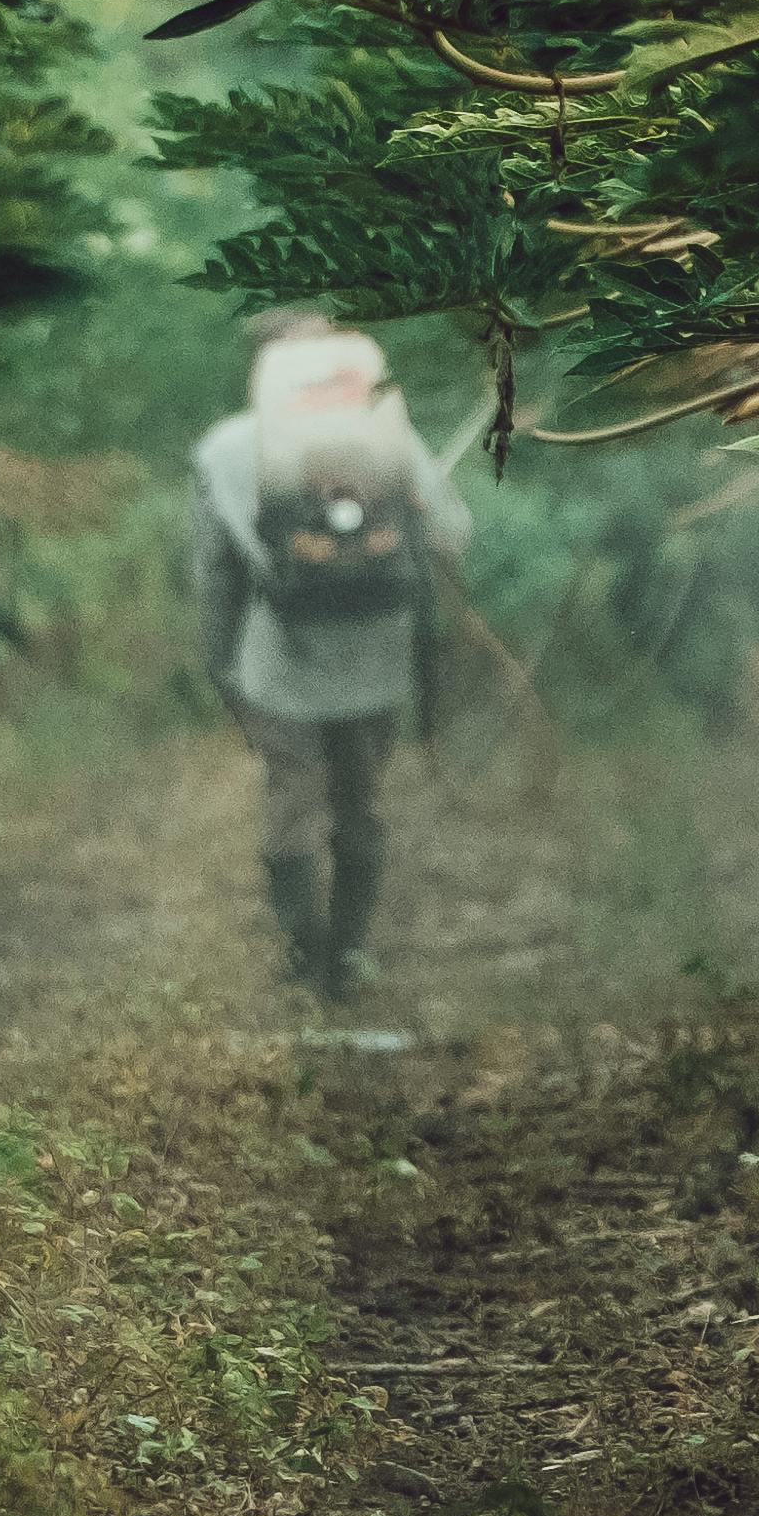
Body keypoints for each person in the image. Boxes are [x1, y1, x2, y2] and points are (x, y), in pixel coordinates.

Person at [185, 311, 475, 1000]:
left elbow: (214, 572)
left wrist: (220, 665)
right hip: (377, 656)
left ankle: (300, 952)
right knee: (360, 804)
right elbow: (455, 535)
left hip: (280, 660)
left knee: (291, 798)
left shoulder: (226, 448)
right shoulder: (388, 436)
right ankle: (345, 956)